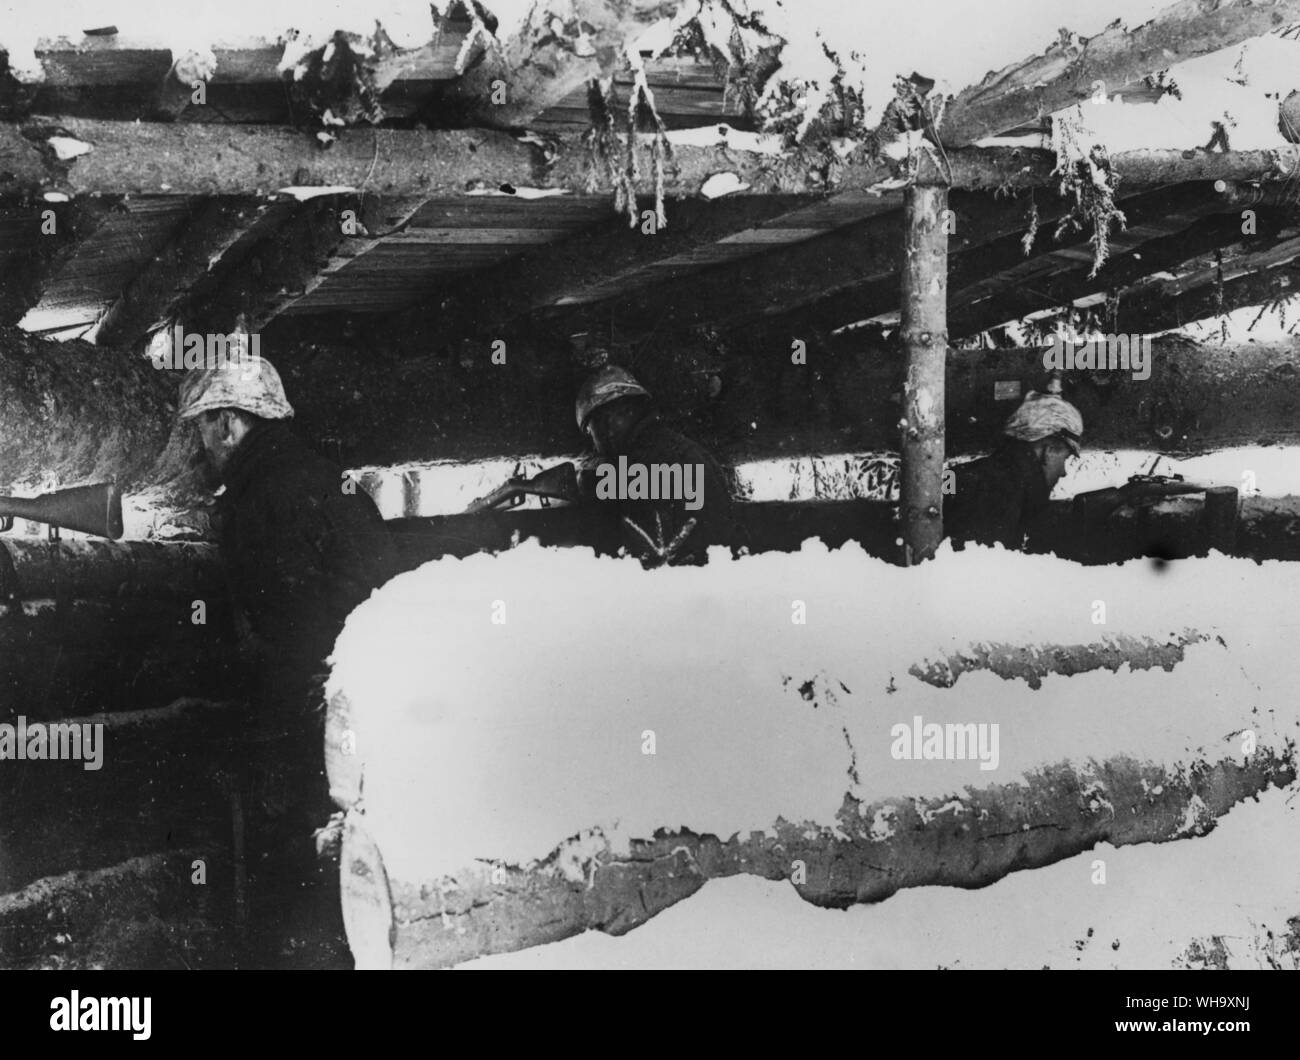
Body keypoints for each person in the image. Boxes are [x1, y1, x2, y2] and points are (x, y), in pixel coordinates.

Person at [177, 357, 397, 966]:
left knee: (303, 868)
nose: (203, 443)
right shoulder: (329, 479)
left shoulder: (257, 503)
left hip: (309, 710)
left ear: (227, 426)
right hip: (370, 695)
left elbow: (283, 627)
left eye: (203, 427)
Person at [575, 365, 739, 566]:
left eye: (592, 432)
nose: (594, 443)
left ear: (607, 423)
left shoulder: (641, 465)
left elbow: (639, 548)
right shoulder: (679, 449)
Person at [945, 388, 1084, 550]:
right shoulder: (1002, 493)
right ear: (1049, 451)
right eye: (1065, 459)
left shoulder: (960, 474)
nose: (1064, 472)